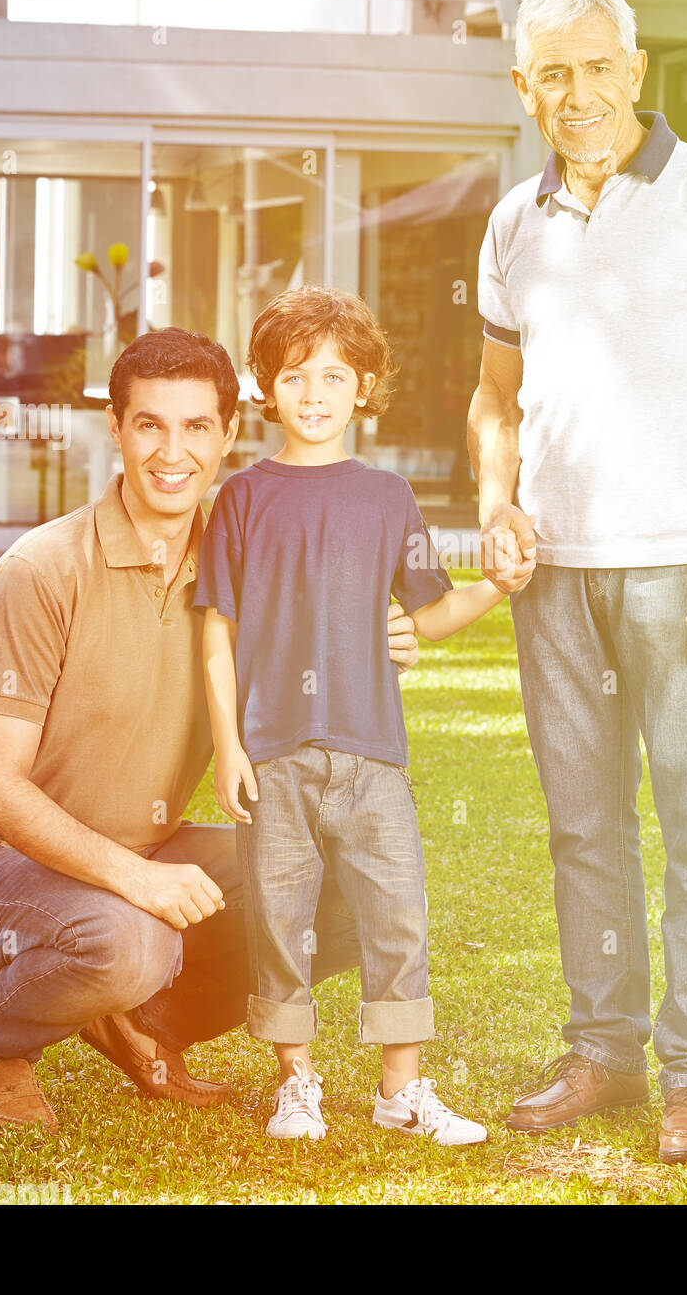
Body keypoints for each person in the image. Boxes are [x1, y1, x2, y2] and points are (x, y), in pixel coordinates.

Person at [0, 327, 420, 1132]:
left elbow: (329, 620)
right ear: (115, 429)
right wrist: (134, 880)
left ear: (226, 434)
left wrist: (390, 629)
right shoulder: (39, 572)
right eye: (149, 424)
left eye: (194, 427)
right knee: (129, 941)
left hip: (149, 842)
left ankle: (147, 1024)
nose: (170, 451)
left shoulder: (243, 554)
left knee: (356, 881)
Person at [468, 0, 687, 1161]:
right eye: (552, 72)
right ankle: (604, 1053)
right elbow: (493, 398)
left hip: (686, 568)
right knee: (583, 826)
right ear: (523, 88)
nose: (579, 93)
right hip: (555, 576)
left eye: (598, 65)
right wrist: (496, 500)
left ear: (637, 69)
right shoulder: (512, 223)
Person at [196, 286, 534, 1145]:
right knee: (279, 921)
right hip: (272, 754)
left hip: (374, 756)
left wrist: (501, 585)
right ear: (265, 387)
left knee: (398, 914)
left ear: (365, 386)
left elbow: (427, 614)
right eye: (295, 375)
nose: (314, 394)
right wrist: (227, 745)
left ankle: (401, 1090)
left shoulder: (389, 498)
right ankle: (296, 1083)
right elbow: (214, 635)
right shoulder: (240, 500)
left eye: (335, 375)